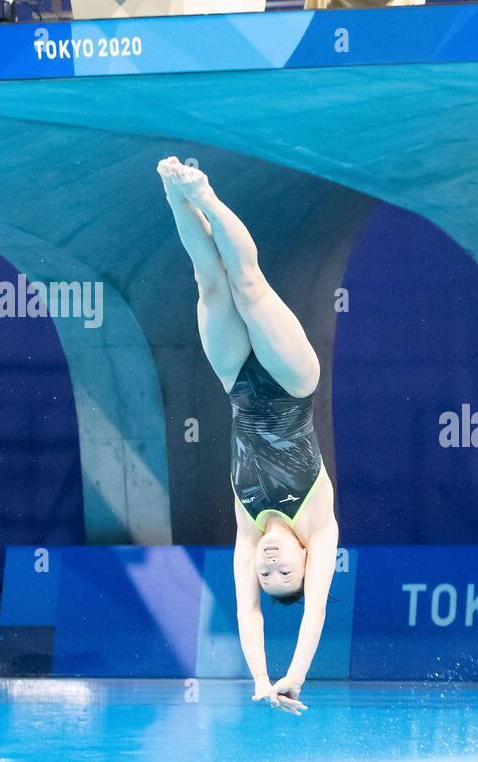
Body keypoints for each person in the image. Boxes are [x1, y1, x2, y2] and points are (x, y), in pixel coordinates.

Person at [158, 156, 338, 715]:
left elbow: (247, 611)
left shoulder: (246, 530)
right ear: (306, 562)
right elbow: (314, 613)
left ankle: (173, 194)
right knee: (248, 286)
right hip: (291, 383)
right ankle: (206, 194)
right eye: (285, 571)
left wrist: (260, 679)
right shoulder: (320, 525)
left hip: (236, 381)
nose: (269, 564)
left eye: (267, 573)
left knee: (210, 284)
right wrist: (294, 677)